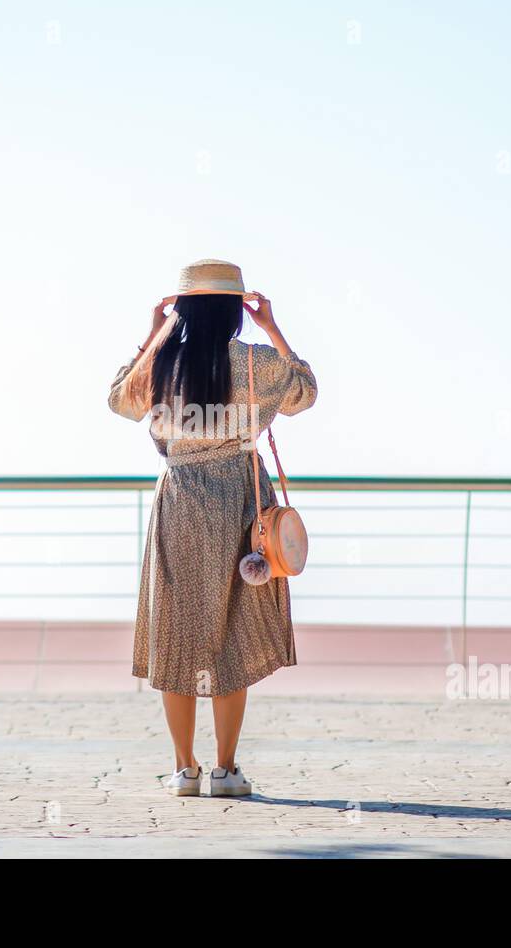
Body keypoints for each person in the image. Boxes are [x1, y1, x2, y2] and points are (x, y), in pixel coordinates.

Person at [107, 258, 317, 797]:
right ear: (235, 310)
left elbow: (118, 400)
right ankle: (226, 769)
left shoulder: (161, 365)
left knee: (176, 631)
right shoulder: (254, 363)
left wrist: (153, 333)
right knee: (233, 632)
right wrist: (272, 327)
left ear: (180, 309)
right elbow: (305, 392)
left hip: (178, 498)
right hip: (241, 505)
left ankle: (184, 769)